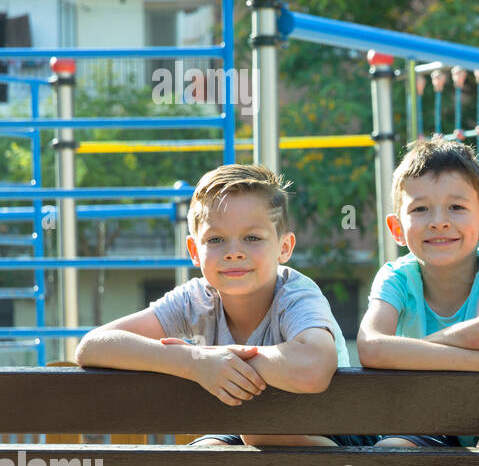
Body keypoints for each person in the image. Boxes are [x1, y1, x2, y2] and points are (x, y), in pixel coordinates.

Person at [75, 164, 356, 447]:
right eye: (216, 239)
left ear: (284, 247)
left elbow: (314, 368)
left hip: (335, 427)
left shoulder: (295, 294)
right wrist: (195, 362)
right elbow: (93, 345)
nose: (234, 252)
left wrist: (224, 360)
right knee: (207, 452)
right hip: (249, 426)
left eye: (252, 238)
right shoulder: (196, 299)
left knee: (261, 434)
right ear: (195, 251)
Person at [357, 137, 479, 448]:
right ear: (397, 229)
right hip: (425, 419)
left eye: (456, 207)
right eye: (421, 209)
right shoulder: (396, 278)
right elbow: (371, 348)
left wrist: (409, 352)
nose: (439, 222)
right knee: (392, 451)